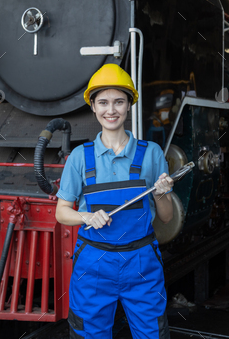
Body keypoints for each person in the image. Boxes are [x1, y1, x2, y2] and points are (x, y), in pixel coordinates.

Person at [56, 64, 174, 339]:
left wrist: (162, 193)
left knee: (153, 334)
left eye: (119, 102)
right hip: (93, 265)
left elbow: (166, 217)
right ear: (94, 107)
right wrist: (85, 217)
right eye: (104, 102)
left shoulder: (151, 154)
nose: (111, 110)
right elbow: (61, 212)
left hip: (141, 264)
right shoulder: (79, 157)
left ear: (129, 105)